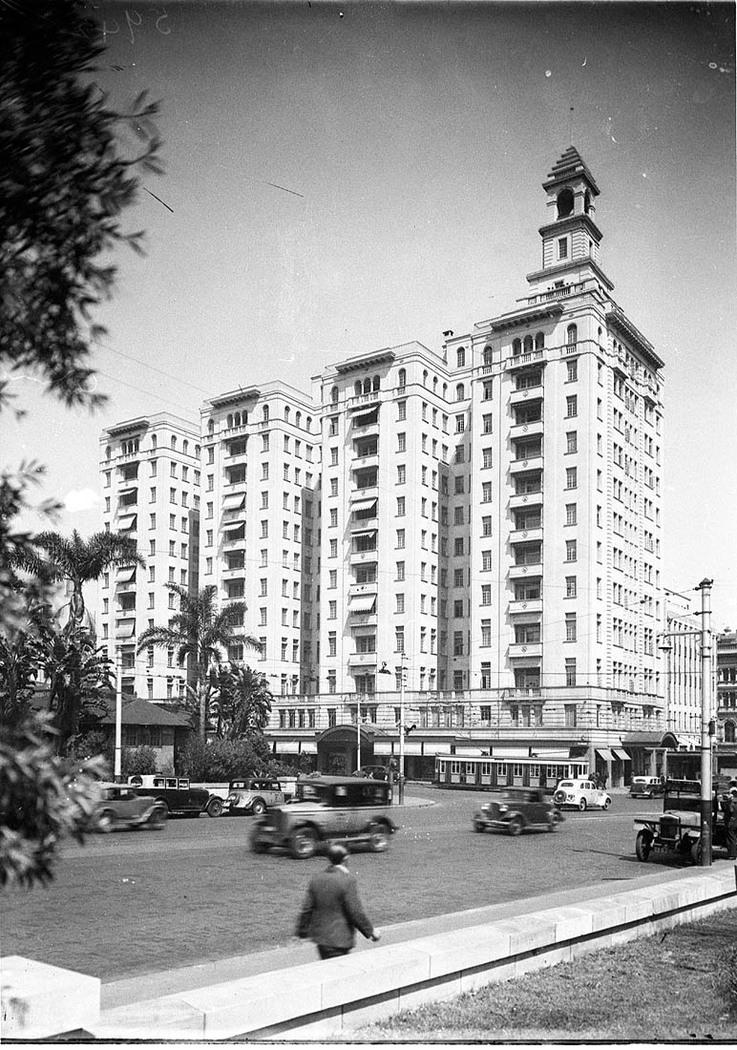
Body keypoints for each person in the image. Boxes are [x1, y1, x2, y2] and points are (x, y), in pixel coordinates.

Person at [296, 844, 380, 959]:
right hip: (340, 940)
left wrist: (301, 933)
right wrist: (370, 931)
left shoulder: (316, 878)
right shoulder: (347, 880)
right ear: (346, 859)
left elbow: (307, 909)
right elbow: (355, 911)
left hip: (321, 940)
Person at [724, 787, 737, 860]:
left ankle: (732, 854)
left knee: (731, 838)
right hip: (735, 822)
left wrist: (728, 803)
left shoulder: (732, 804)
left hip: (732, 823)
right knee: (733, 838)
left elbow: (731, 811)